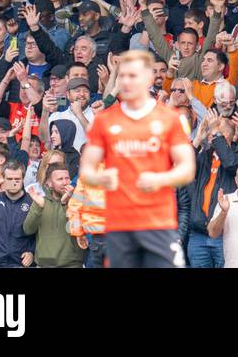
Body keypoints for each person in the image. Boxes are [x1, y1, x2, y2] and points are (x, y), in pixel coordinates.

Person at [80, 50, 196, 268]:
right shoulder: (106, 121)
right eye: (122, 76)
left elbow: (187, 169)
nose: (126, 81)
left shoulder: (169, 119)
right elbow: (86, 170)